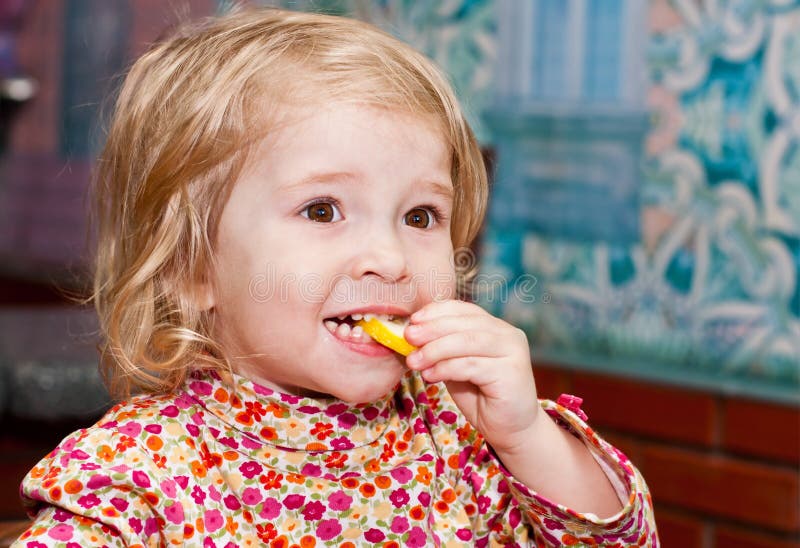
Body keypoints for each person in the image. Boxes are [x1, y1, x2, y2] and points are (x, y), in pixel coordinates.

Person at [13, 7, 658, 547]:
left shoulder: (459, 434)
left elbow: (622, 538)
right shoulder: (139, 473)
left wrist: (523, 434)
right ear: (191, 268)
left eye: (421, 215)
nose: (392, 257)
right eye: (322, 210)